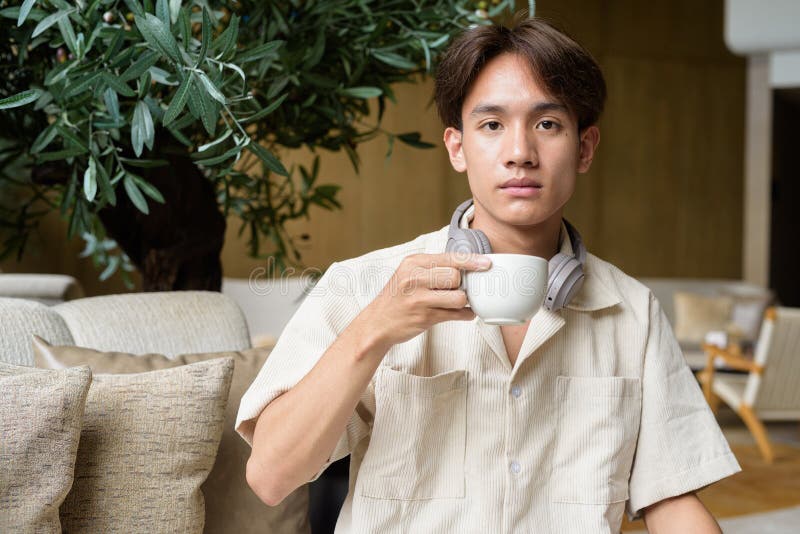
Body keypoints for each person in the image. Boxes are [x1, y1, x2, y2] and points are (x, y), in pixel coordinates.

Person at [236, 18, 741, 533]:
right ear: (457, 147)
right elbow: (272, 478)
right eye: (492, 125)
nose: (520, 153)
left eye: (547, 124)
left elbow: (671, 502)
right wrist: (375, 328)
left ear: (585, 148)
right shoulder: (363, 286)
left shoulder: (632, 311)